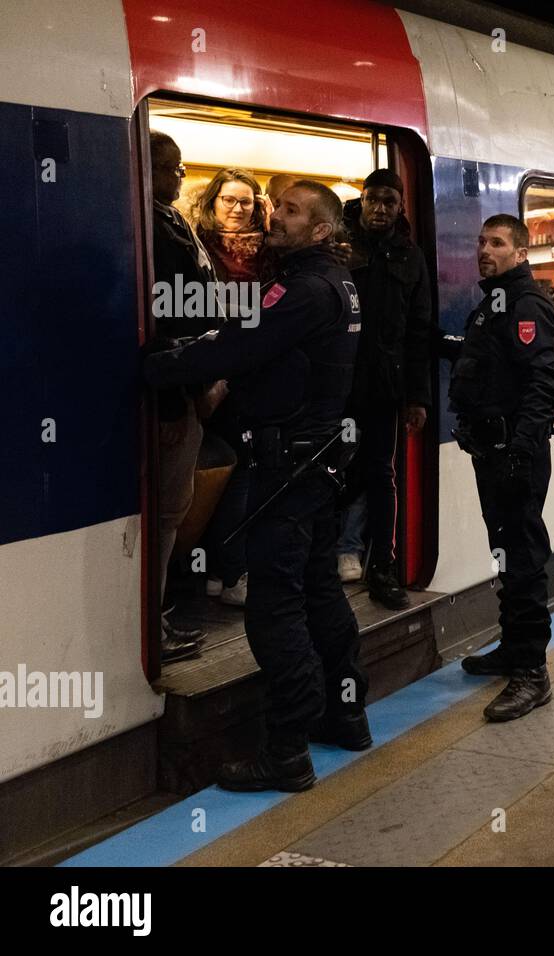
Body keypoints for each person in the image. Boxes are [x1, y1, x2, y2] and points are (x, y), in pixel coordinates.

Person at [144, 181, 370, 792]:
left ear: (321, 230)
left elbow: (238, 346)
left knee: (276, 607)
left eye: (291, 212)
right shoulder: (336, 283)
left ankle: (287, 751)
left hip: (289, 467)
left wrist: (153, 366)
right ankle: (344, 713)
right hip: (316, 463)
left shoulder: (301, 290)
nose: (277, 218)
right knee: (320, 591)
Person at [451, 214, 554, 721]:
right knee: (505, 553)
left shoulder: (524, 305)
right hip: (492, 454)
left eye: (497, 243)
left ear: (521, 253)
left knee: (523, 559)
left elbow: (545, 380)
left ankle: (532, 673)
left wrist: (521, 448)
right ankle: (512, 649)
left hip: (514, 456)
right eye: (480, 242)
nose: (484, 250)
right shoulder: (492, 305)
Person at [335, 170, 433, 606]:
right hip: (334, 385)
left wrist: (417, 397)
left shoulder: (410, 256)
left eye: (389, 202)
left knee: (381, 475)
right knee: (329, 471)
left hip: (383, 389)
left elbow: (419, 330)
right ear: (363, 200)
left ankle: (383, 569)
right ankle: (324, 559)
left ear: (400, 207)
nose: (380, 209)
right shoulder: (338, 243)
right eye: (373, 200)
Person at [190, 168, 274, 607]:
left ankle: (222, 571)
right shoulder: (198, 246)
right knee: (227, 474)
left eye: (247, 201)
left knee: (237, 473)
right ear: (212, 202)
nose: (238, 209)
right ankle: (225, 570)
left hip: (250, 374)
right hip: (215, 372)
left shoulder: (267, 254)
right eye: (229, 200)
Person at [148, 131, 212, 663]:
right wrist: (174, 398)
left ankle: (156, 613)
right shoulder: (153, 226)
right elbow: (161, 322)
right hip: (175, 387)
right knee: (168, 510)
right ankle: (151, 621)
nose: (179, 177)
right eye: (171, 168)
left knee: (176, 505)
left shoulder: (171, 220)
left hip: (188, 380)